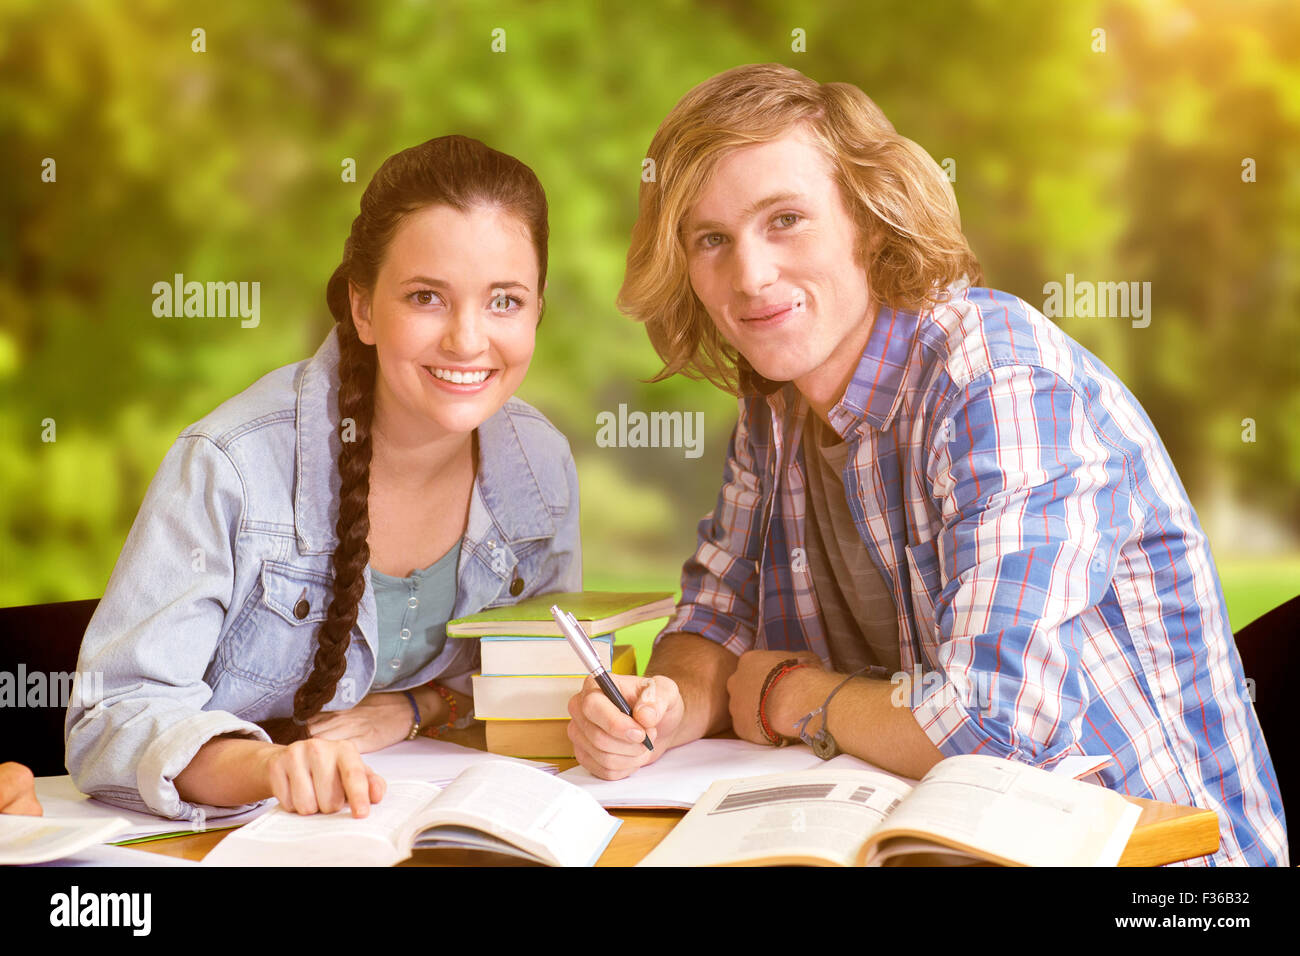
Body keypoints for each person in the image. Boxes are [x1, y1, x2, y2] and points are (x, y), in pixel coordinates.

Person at [567, 63, 1287, 866]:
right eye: (712, 240)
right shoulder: (774, 408)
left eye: (786, 219)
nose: (751, 275)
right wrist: (666, 703)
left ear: (869, 224)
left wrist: (789, 695)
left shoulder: (997, 383)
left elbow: (995, 728)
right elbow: (714, 620)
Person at [66, 135, 580, 820]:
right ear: (364, 309)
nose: (467, 338)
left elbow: (539, 680)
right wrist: (271, 767)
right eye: (427, 297)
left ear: (539, 308)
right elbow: (111, 719)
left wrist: (416, 709)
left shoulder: (539, 464)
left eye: (505, 301)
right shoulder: (232, 465)